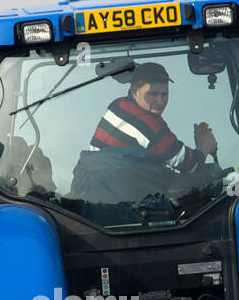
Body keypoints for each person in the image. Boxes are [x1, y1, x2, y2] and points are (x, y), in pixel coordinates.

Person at [70, 63, 218, 208]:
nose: (160, 101)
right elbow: (189, 164)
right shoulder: (148, 124)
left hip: (90, 201)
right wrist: (203, 146)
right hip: (127, 207)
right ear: (135, 92)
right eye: (153, 94)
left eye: (164, 95)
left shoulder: (117, 105)